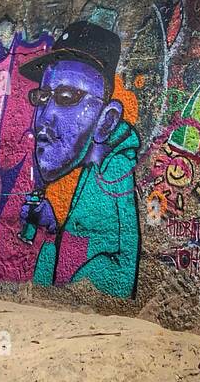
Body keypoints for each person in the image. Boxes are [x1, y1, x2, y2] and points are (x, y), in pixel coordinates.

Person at [17, 20, 139, 298]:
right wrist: (52, 223)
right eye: (42, 97)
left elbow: (112, 260)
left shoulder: (114, 171)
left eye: (67, 96)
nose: (42, 119)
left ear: (106, 121)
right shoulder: (81, 172)